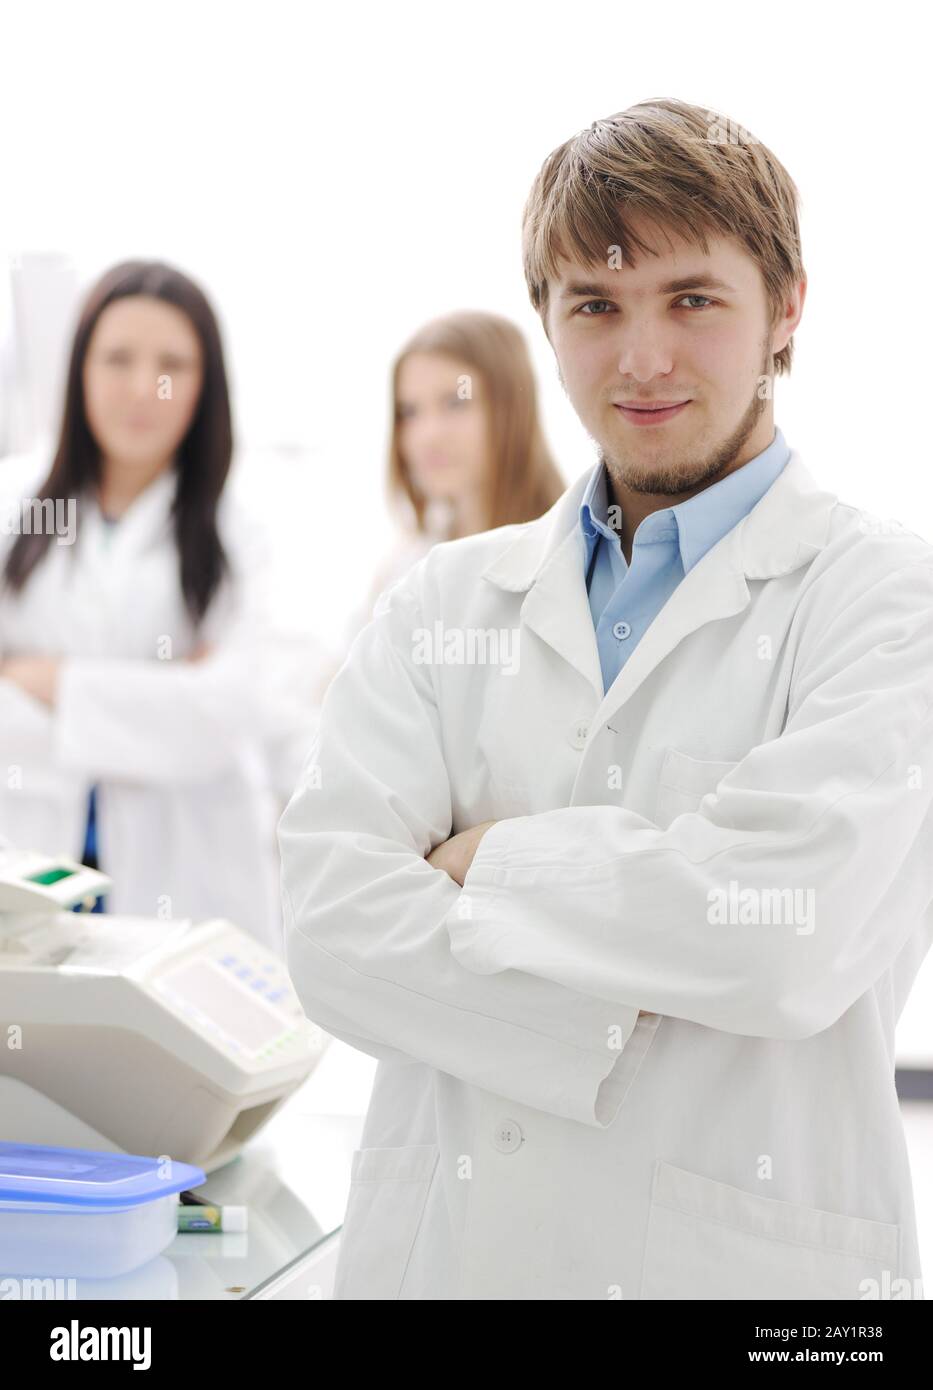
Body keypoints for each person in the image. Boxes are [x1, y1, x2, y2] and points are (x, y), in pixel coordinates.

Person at [278, 99, 933, 1300]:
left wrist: (489, 861)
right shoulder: (447, 602)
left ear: (786, 308)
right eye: (596, 305)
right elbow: (327, 926)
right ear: (547, 319)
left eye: (691, 299)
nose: (641, 359)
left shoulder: (886, 600)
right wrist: (637, 970)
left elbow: (786, 935)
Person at [0, 260, 313, 953]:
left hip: (190, 883)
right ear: (79, 369)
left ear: (207, 385)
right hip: (27, 857)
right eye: (117, 359)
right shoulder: (14, 505)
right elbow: (192, 709)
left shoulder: (246, 528)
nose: (145, 387)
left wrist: (43, 681)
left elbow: (229, 712)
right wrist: (162, 694)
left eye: (172, 363)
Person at [327, 310, 564, 693]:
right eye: (409, 412)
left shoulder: (571, 559)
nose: (427, 435)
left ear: (511, 408)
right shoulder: (406, 562)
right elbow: (341, 695)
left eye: (455, 402)